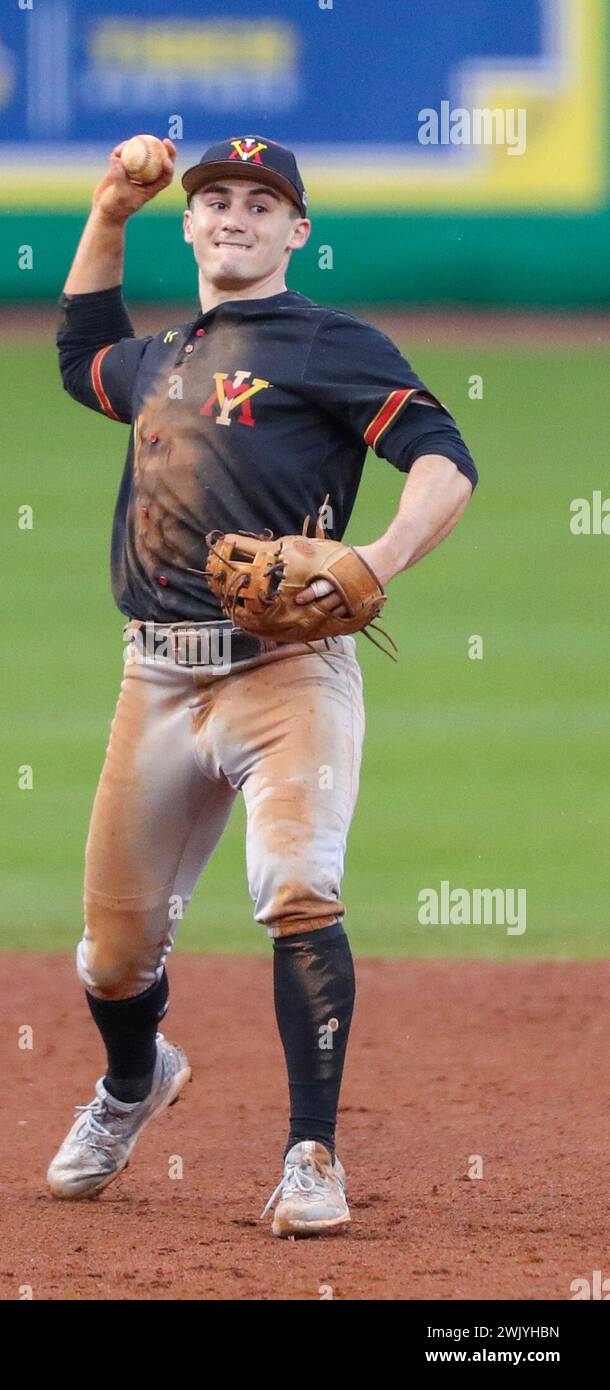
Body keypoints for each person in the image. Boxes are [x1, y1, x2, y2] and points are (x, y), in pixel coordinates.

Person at [48, 135, 477, 1236]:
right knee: (109, 959)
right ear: (190, 227)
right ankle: (135, 1081)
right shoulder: (163, 357)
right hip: (154, 678)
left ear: (296, 232)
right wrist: (108, 211)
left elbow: (443, 458)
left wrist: (376, 560)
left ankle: (309, 1156)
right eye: (215, 202)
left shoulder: (333, 346)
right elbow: (80, 354)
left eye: (260, 203)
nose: (233, 215)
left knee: (296, 887)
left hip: (287, 676)